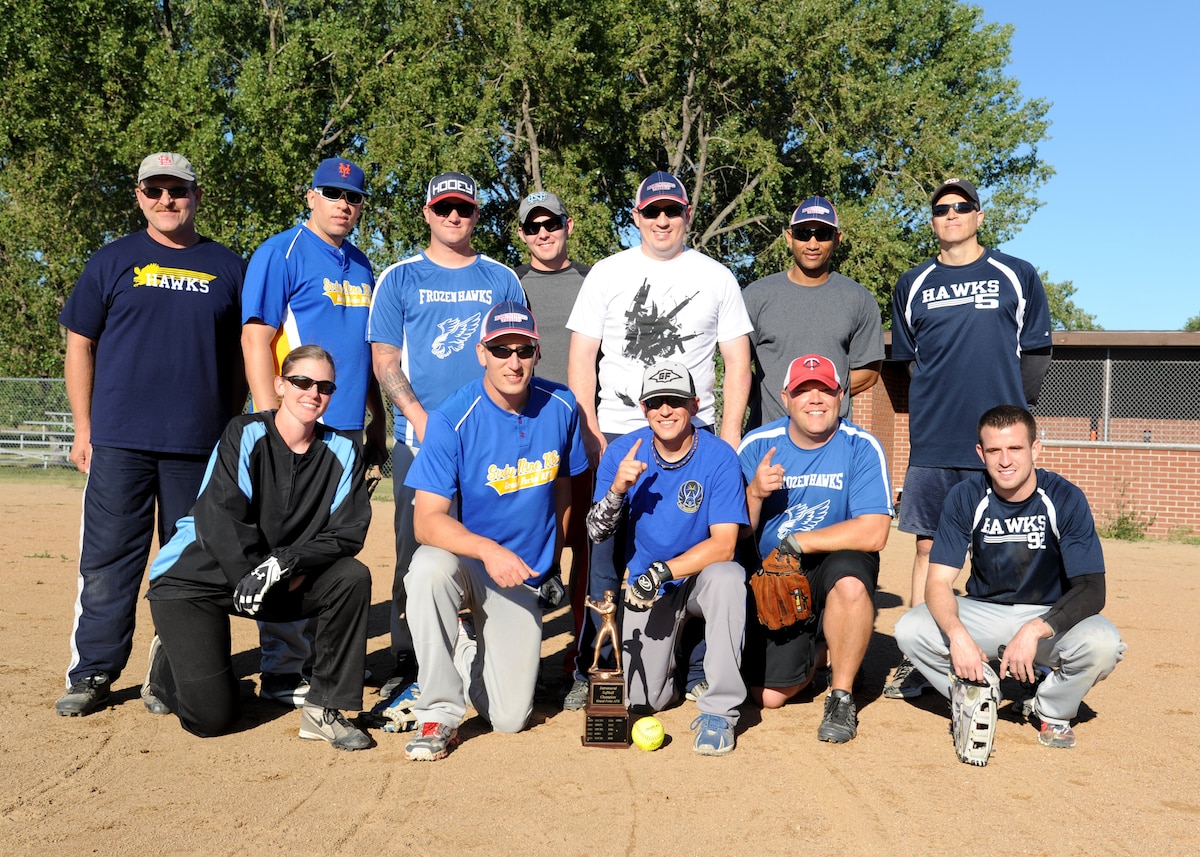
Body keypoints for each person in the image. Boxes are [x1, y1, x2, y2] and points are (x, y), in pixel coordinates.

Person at [55, 152, 246, 717]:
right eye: (154, 190)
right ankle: (92, 671)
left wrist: (229, 426)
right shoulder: (112, 261)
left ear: (197, 195)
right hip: (119, 442)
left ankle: (171, 674)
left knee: (188, 565)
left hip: (200, 446)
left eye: (178, 190)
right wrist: (84, 427)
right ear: (138, 196)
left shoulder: (227, 266)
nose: (167, 200)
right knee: (110, 561)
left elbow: (243, 354)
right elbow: (79, 346)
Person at [563, 170, 753, 709]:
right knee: (606, 552)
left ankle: (695, 668)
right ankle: (594, 666)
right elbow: (583, 355)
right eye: (652, 211)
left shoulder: (716, 276)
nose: (662, 220)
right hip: (622, 428)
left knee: (695, 550)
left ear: (687, 213)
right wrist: (594, 432)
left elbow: (738, 360)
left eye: (672, 210)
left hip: (695, 429)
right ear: (637, 216)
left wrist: (731, 434)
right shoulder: (608, 272)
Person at [143, 346, 374, 750]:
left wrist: (285, 563)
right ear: (280, 385)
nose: (313, 392)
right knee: (211, 719)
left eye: (325, 386)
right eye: (302, 381)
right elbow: (221, 518)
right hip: (196, 580)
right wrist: (254, 573)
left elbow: (347, 533)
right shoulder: (245, 432)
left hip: (275, 578)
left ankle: (323, 708)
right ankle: (168, 664)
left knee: (351, 577)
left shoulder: (342, 450)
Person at [885, 177, 1053, 700]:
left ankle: (1015, 657)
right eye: (941, 208)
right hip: (935, 442)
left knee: (1007, 546)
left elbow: (1037, 353)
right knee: (930, 548)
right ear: (932, 220)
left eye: (962, 206)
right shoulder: (912, 283)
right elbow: (907, 364)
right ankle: (919, 657)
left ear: (979, 216)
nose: (951, 213)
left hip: (998, 444)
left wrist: (1010, 416)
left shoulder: (1016, 275)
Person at [400, 302, 587, 761]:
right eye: (501, 349)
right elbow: (425, 521)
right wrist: (487, 551)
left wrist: (554, 560)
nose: (513, 360)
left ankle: (464, 649)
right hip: (470, 562)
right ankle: (438, 713)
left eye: (524, 349)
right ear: (481, 352)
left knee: (508, 718)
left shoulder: (561, 405)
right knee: (426, 571)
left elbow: (564, 488)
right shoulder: (452, 418)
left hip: (522, 576)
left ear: (537, 353)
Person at [367, 172, 526, 694]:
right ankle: (408, 661)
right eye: (443, 208)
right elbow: (385, 361)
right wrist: (422, 423)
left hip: (491, 444)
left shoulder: (500, 276)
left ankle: (489, 652)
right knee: (415, 553)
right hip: (423, 443)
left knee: (488, 547)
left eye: (462, 208)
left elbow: (516, 349)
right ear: (427, 214)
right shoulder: (399, 277)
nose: (453, 217)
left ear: (476, 214)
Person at [241, 156, 386, 709]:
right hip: (295, 427)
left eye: (352, 197)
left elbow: (367, 356)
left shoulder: (363, 265)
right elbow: (257, 339)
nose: (342, 204)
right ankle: (281, 669)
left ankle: (320, 663)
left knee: (332, 549)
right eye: (332, 193)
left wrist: (377, 423)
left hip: (347, 433)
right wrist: (266, 419)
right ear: (311, 196)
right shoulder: (281, 252)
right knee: (285, 545)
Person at [894, 405, 1125, 750]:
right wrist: (958, 636)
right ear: (980, 453)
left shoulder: (1064, 498)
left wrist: (1035, 629)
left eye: (1015, 448)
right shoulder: (965, 497)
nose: (1005, 460)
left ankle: (1050, 707)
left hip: (1048, 614)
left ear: (1035, 449)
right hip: (985, 610)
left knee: (1105, 645)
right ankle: (977, 692)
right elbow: (938, 582)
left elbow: (1092, 589)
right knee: (910, 630)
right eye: (994, 450)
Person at [588, 361, 749, 755]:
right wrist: (617, 490)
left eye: (675, 401)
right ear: (643, 408)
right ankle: (680, 667)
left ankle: (720, 711)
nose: (665, 410)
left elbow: (726, 544)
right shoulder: (623, 453)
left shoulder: (720, 457)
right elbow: (595, 532)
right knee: (646, 701)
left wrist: (663, 571)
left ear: (694, 405)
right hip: (650, 589)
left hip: (698, 579)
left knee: (729, 577)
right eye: (655, 402)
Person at [737, 354, 892, 743]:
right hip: (777, 577)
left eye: (824, 389)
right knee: (769, 697)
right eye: (804, 391)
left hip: (834, 566)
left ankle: (841, 695)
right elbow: (733, 534)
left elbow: (874, 532)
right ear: (785, 397)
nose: (815, 398)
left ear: (840, 395)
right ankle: (823, 647)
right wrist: (755, 493)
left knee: (852, 582)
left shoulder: (861, 446)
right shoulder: (758, 444)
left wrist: (797, 542)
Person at [514, 189, 594, 682]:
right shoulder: (511, 286)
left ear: (568, 225)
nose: (543, 233)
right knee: (528, 542)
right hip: (527, 433)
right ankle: (518, 658)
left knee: (588, 545)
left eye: (552, 223)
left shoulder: (595, 281)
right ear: (523, 234)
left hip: (583, 430)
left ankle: (582, 658)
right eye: (532, 226)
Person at [742, 196, 883, 428]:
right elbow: (737, 369)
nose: (813, 243)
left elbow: (869, 372)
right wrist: (763, 401)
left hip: (831, 442)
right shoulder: (756, 296)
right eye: (804, 233)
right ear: (790, 238)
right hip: (768, 437)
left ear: (837, 239)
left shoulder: (858, 298)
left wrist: (819, 401)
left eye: (823, 234)